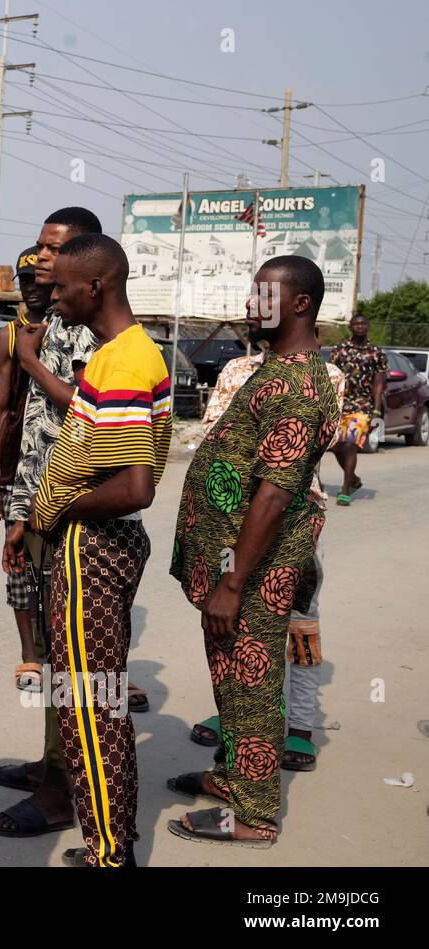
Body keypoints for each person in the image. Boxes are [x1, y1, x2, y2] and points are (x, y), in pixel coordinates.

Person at [167, 255, 339, 848]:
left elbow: (273, 493)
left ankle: (255, 815)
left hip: (256, 568)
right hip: (231, 560)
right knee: (229, 676)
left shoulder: (300, 384)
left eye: (263, 295)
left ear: (300, 305)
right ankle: (234, 778)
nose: (249, 305)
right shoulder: (275, 369)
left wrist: (234, 581)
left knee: (253, 678)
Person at [30, 233, 172, 867]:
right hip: (86, 543)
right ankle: (110, 845)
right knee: (90, 702)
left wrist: (58, 509)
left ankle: (110, 854)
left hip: (92, 546)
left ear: (97, 286)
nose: (52, 296)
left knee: (91, 709)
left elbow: (133, 485)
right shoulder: (119, 354)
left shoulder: (126, 361)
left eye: (61, 286)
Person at [0, 207, 101, 841]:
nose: (43, 257)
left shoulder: (97, 330)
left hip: (82, 513)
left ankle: (63, 791)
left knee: (71, 657)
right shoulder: (51, 320)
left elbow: (87, 415)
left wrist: (29, 361)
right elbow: (35, 430)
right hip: (42, 506)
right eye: (40, 246)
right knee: (54, 652)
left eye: (56, 249)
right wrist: (17, 506)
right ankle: (53, 767)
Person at [187, 350, 345, 772]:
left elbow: (308, 447)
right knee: (231, 624)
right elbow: (215, 435)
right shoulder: (237, 370)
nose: (258, 306)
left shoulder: (327, 375)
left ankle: (300, 726)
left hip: (291, 517)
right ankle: (236, 719)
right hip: (232, 519)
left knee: (300, 621)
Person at [0, 246, 48, 692]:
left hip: (60, 465)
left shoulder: (70, 331)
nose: (33, 292)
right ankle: (30, 654)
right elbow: (0, 408)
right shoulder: (8, 336)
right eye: (26, 285)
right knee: (19, 564)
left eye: (39, 284)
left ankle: (67, 650)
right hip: (15, 472)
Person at [328, 313, 385, 505]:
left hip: (362, 404)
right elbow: (332, 377)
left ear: (367, 327)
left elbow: (378, 385)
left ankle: (345, 491)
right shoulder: (339, 350)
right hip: (340, 402)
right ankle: (353, 479)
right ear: (350, 327)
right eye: (356, 324)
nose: (360, 327)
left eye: (363, 324)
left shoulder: (376, 352)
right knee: (336, 446)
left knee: (350, 444)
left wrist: (376, 411)